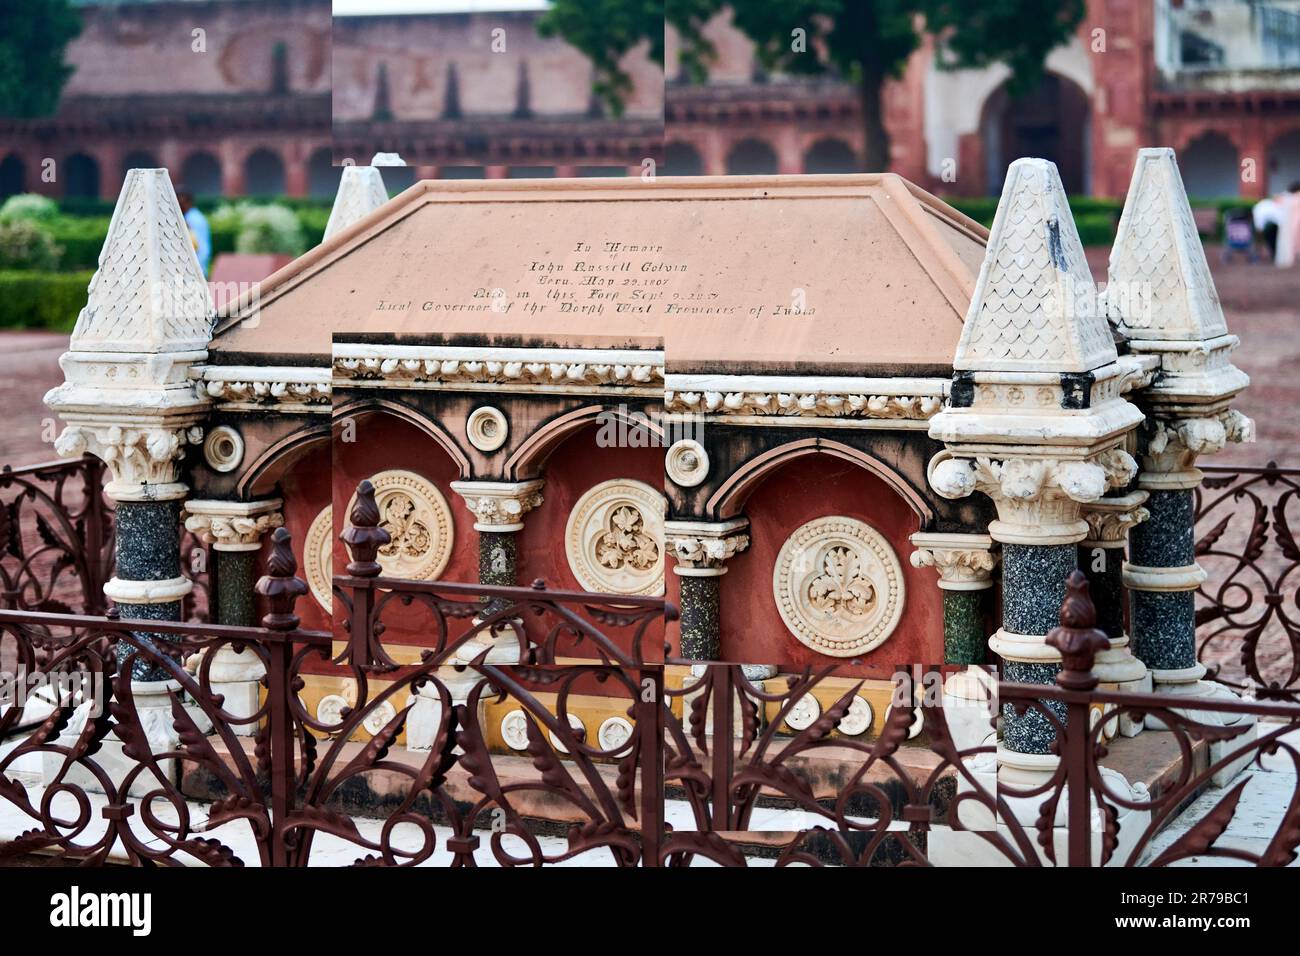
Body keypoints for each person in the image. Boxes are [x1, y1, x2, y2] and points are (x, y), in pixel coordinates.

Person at [176, 185, 211, 277]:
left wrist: (197, 271)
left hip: (196, 274)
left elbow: (203, 249)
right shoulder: (188, 217)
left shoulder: (195, 219)